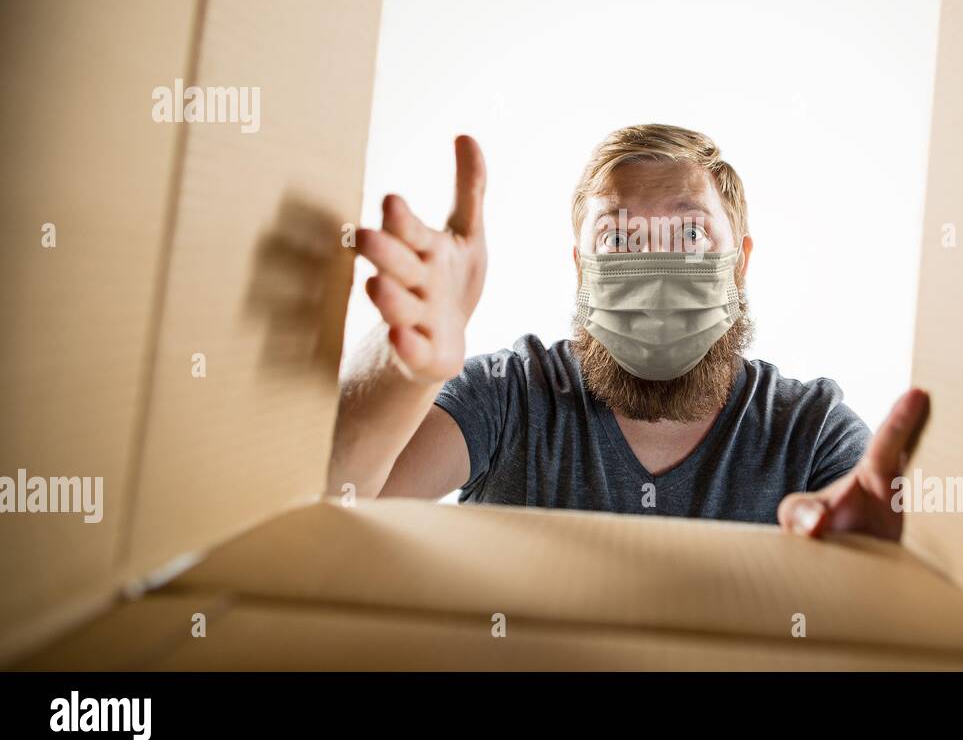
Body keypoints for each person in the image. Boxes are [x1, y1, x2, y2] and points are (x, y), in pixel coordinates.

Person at [328, 124, 930, 540]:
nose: (656, 269)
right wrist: (405, 368)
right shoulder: (512, 395)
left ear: (740, 262)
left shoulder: (809, 431)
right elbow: (336, 508)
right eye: (618, 240)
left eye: (691, 235)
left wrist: (873, 567)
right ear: (580, 267)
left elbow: (873, 537)